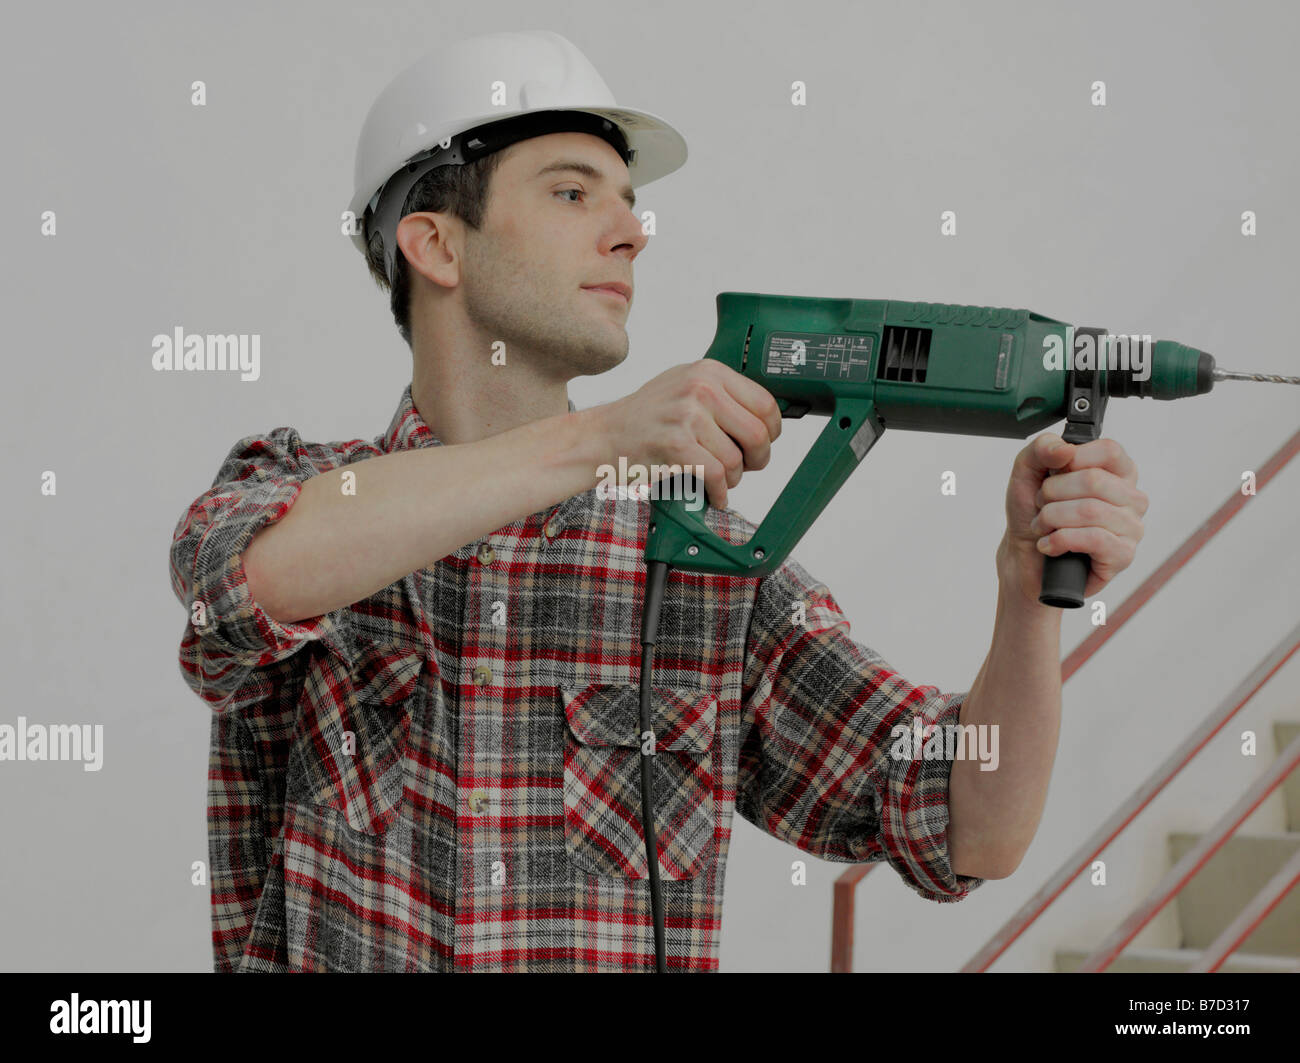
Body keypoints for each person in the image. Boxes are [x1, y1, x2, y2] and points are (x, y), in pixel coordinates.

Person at [168, 30, 1148, 972]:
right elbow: (252, 579)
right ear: (435, 243)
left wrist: (1026, 599)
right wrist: (598, 440)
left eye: (630, 204)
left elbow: (968, 825)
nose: (632, 231)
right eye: (570, 191)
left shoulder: (700, 566)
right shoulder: (292, 483)